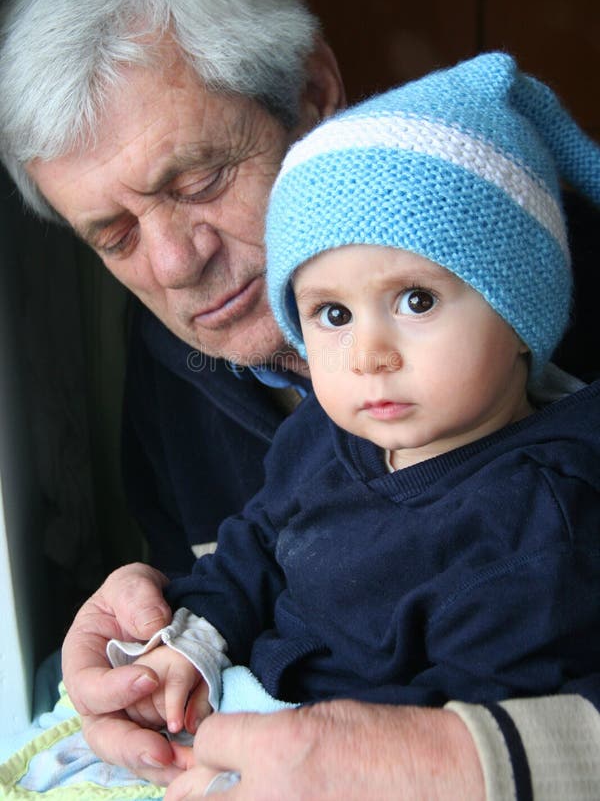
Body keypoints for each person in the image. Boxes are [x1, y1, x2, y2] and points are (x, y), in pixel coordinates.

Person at [0, 0, 598, 800]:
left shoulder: (532, 269)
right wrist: (162, 613)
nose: (174, 267)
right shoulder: (178, 362)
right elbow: (267, 552)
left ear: (315, 91)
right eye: (116, 235)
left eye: (199, 179)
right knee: (57, 674)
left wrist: (457, 760)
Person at [104, 53, 600, 790]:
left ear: (520, 310)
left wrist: (264, 750)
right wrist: (195, 643)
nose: (369, 355)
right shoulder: (326, 435)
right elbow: (259, 544)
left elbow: (439, 730)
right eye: (332, 315)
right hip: (256, 709)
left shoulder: (540, 514)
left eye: (417, 301)